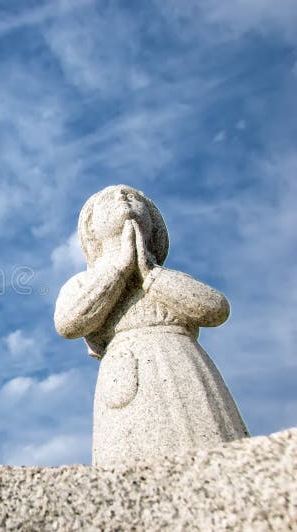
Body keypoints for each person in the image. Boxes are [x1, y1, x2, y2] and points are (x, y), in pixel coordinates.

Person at [54, 185, 248, 466]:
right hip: (125, 368)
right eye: (109, 199)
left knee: (212, 449)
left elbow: (216, 308)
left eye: (133, 196)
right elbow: (68, 322)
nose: (123, 198)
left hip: (181, 360)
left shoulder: (166, 277)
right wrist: (120, 269)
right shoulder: (84, 282)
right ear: (91, 228)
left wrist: (150, 275)